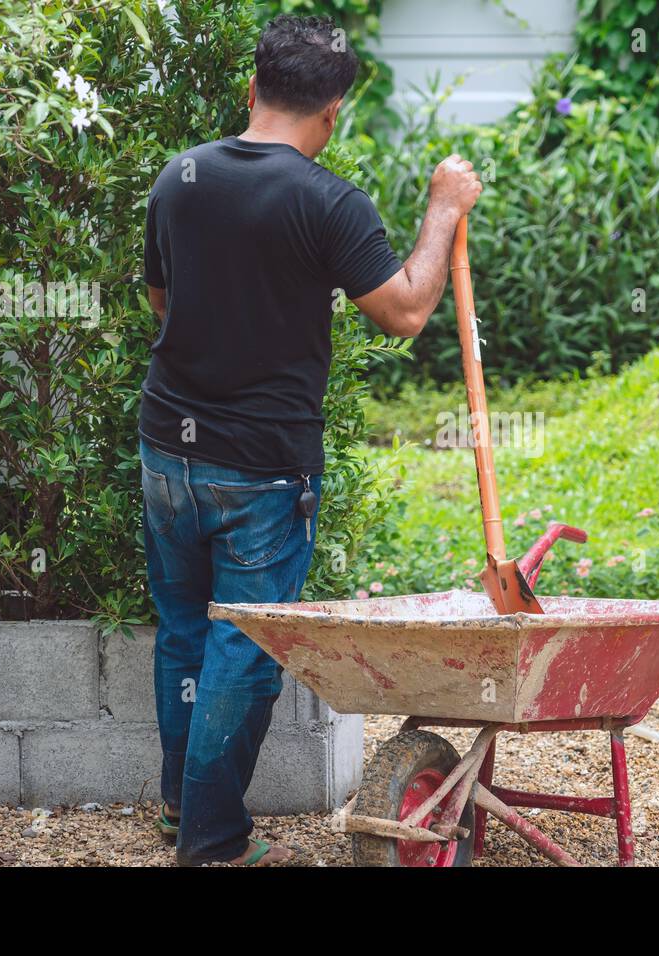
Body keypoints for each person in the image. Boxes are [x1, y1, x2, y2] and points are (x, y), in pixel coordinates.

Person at [139, 13, 482, 865]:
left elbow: (159, 299)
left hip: (164, 453)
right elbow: (404, 310)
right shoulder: (326, 200)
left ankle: (184, 812)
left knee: (185, 631)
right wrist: (443, 210)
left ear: (252, 90)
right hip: (260, 470)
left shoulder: (178, 178)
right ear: (333, 113)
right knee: (243, 650)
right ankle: (212, 843)